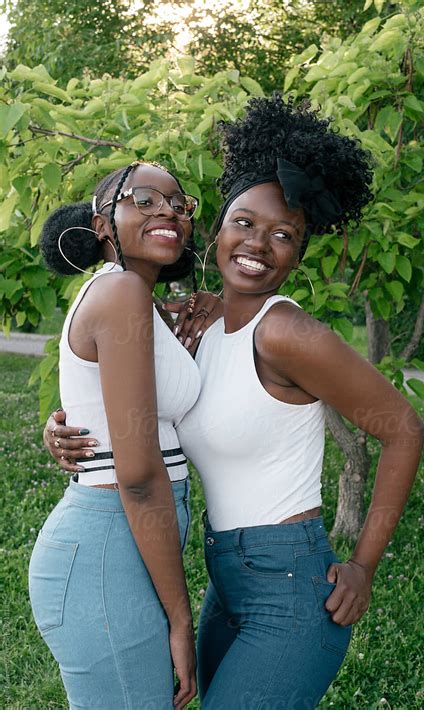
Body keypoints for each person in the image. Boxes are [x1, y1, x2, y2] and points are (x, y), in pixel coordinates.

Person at [43, 96, 424, 708]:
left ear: (298, 254)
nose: (259, 244)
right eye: (244, 222)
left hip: (294, 582)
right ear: (217, 229)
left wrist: (364, 564)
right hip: (227, 579)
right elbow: (125, 387)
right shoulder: (194, 326)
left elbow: (403, 429)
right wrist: (65, 428)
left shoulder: (286, 332)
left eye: (284, 236)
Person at [29, 160, 220, 710]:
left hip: (124, 550)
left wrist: (209, 307)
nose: (168, 211)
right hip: (107, 550)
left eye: (179, 203)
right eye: (144, 199)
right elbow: (136, 477)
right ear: (102, 226)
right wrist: (180, 619)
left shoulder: (138, 301)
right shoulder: (121, 296)